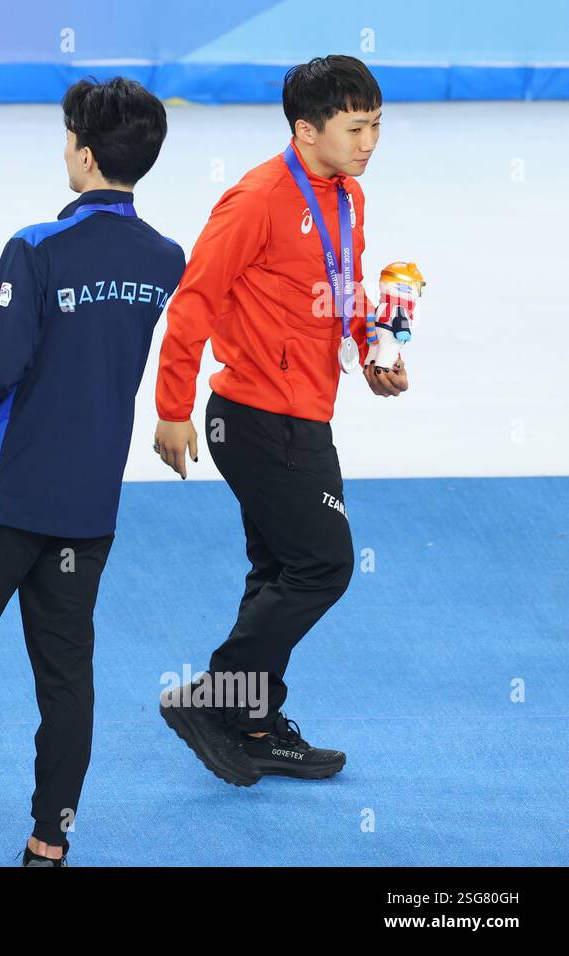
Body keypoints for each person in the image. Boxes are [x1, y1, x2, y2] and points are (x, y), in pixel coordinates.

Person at [0, 77, 186, 867]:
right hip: (87, 504)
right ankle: (48, 845)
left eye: (68, 140)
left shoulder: (34, 245)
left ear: (85, 154)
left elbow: (1, 369)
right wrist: (14, 304)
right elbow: (87, 331)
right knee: (66, 677)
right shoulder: (165, 257)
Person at [152, 55, 408, 787]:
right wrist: (171, 409)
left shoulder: (347, 195)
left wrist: (371, 351)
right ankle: (213, 695)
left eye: (378, 125)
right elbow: (193, 302)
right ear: (306, 129)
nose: (370, 141)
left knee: (277, 570)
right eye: (356, 127)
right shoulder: (257, 198)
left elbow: (345, 287)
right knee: (324, 565)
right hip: (256, 417)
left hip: (305, 413)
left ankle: (255, 723)